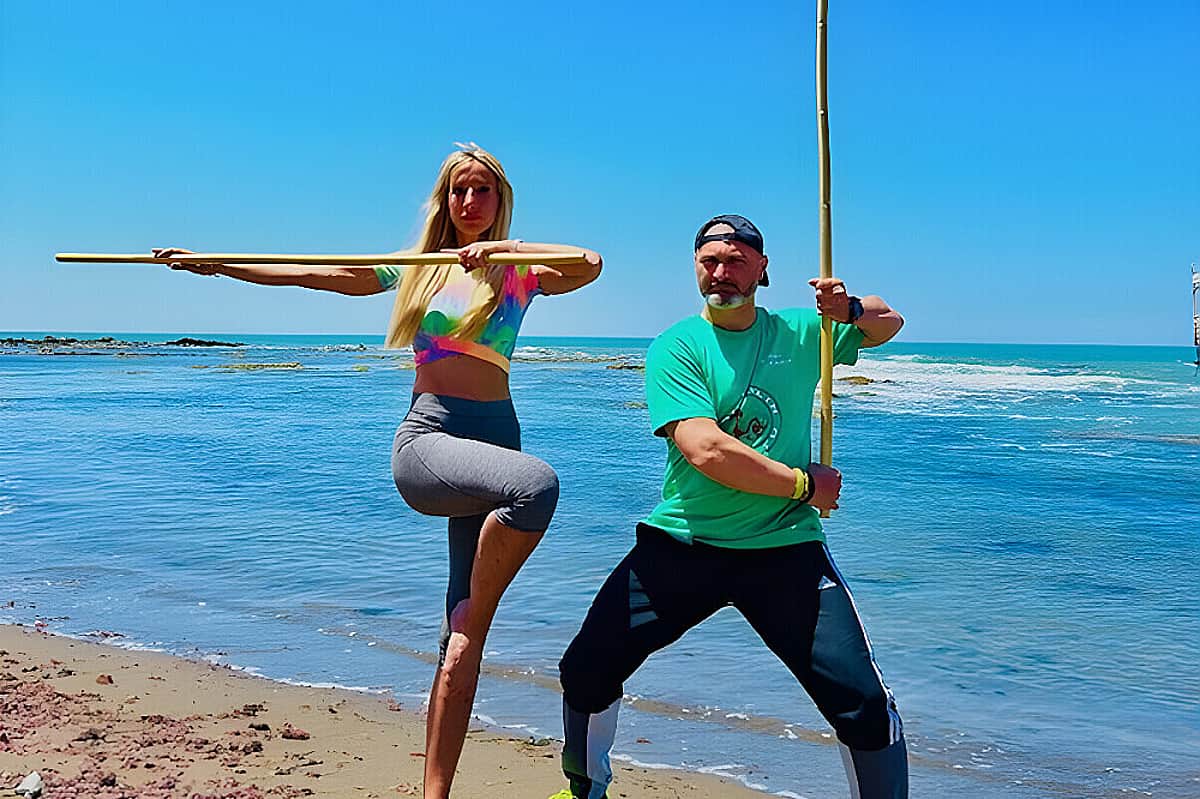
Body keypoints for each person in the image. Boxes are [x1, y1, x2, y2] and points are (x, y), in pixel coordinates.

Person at [154, 144, 603, 799]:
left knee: (462, 641)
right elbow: (316, 274)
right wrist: (217, 265)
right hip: (431, 443)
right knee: (536, 486)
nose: (470, 203)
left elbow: (589, 263)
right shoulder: (417, 269)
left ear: (500, 201)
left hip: (494, 443)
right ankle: (470, 616)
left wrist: (506, 251)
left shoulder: (520, 274)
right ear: (445, 201)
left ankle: (434, 790)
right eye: (459, 191)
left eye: (483, 191)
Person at [551, 215, 907, 799]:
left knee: (862, 704)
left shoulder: (801, 331)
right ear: (695, 268)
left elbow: (890, 322)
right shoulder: (677, 346)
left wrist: (849, 310)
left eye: (737, 259)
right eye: (710, 260)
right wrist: (802, 484)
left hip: (783, 548)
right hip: (685, 542)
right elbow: (706, 449)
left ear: (763, 269)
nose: (722, 271)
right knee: (586, 669)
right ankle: (584, 788)